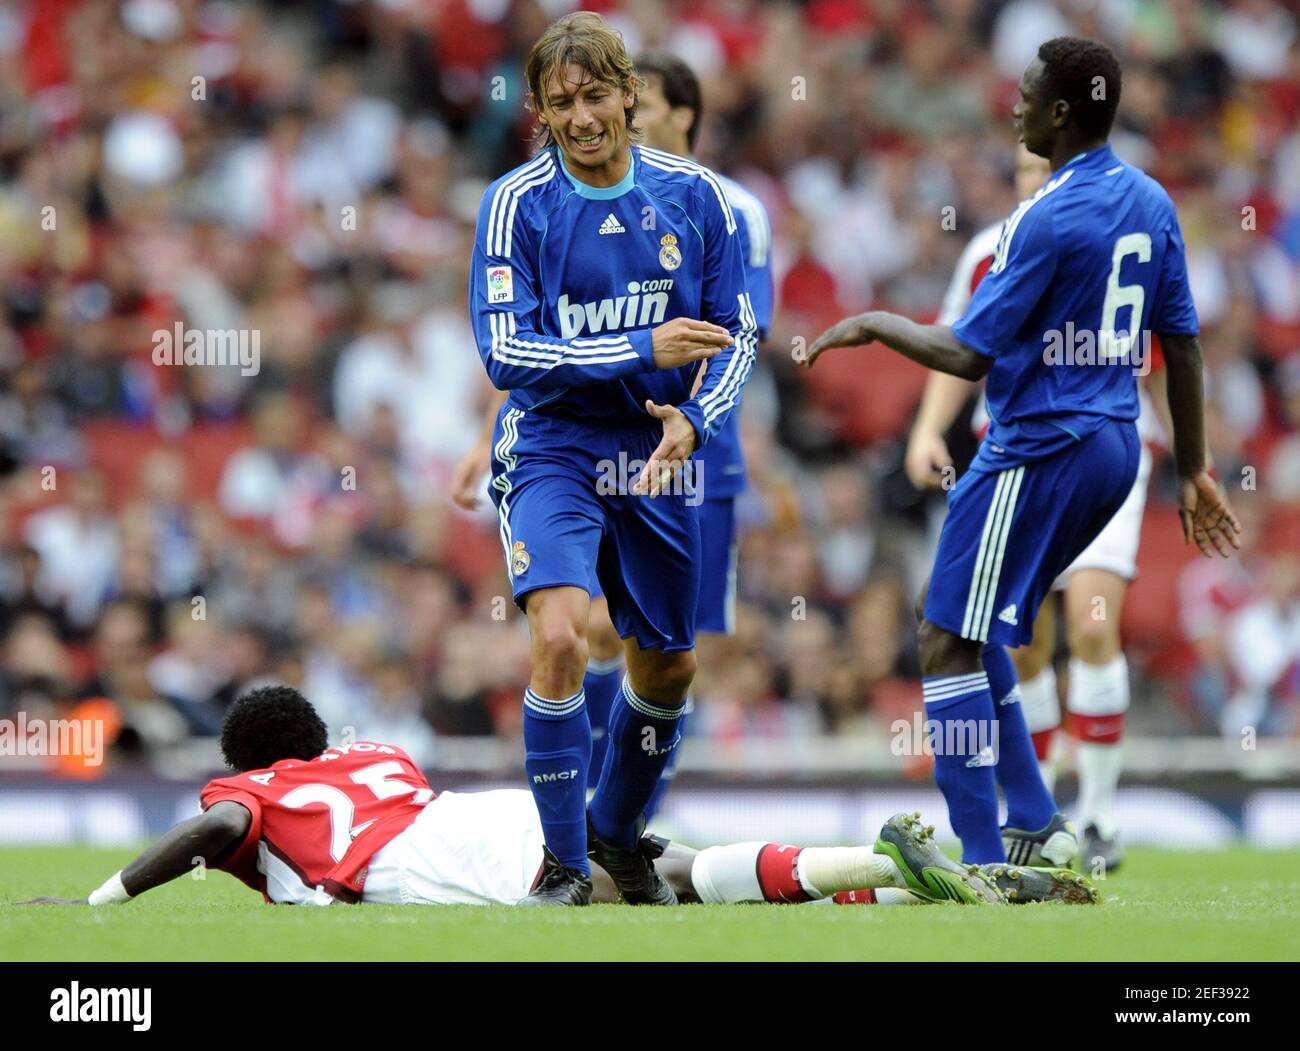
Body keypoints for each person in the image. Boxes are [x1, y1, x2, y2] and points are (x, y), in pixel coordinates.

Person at [801, 37, 1240, 867]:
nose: (1015, 105)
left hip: (1044, 444)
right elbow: (1181, 347)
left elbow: (968, 355)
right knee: (986, 625)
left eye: (1029, 95)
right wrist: (1193, 469)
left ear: (1063, 112)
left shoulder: (1044, 216)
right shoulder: (1150, 200)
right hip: (1115, 445)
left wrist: (873, 323)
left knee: (941, 636)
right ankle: (1038, 820)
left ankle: (979, 851)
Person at [466, 12, 757, 906]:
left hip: (653, 449)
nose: (582, 117)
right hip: (554, 443)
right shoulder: (516, 203)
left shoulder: (696, 197)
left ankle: (616, 836)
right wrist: (641, 346)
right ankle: (562, 870)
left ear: (630, 93)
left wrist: (696, 421)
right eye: (561, 104)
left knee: (667, 666)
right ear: (542, 115)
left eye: (596, 96)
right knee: (557, 635)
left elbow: (737, 333)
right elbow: (506, 354)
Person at [20, 687, 1097, 909]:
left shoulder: (245, 787)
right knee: (663, 868)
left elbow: (219, 824)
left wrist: (97, 905)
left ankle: (886, 873)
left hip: (434, 862)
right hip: (475, 807)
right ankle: (895, 878)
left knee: (633, 900)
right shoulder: (372, 751)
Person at [905, 145, 1220, 871]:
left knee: (1090, 620)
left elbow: (1174, 349)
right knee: (1024, 641)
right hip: (1015, 457)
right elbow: (962, 346)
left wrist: (1191, 464)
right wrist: (927, 429)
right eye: (1020, 171)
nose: (1034, 181)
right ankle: (1037, 807)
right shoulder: (991, 247)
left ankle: (1099, 814)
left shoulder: (1111, 235)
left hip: (1102, 447)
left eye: (1041, 168)